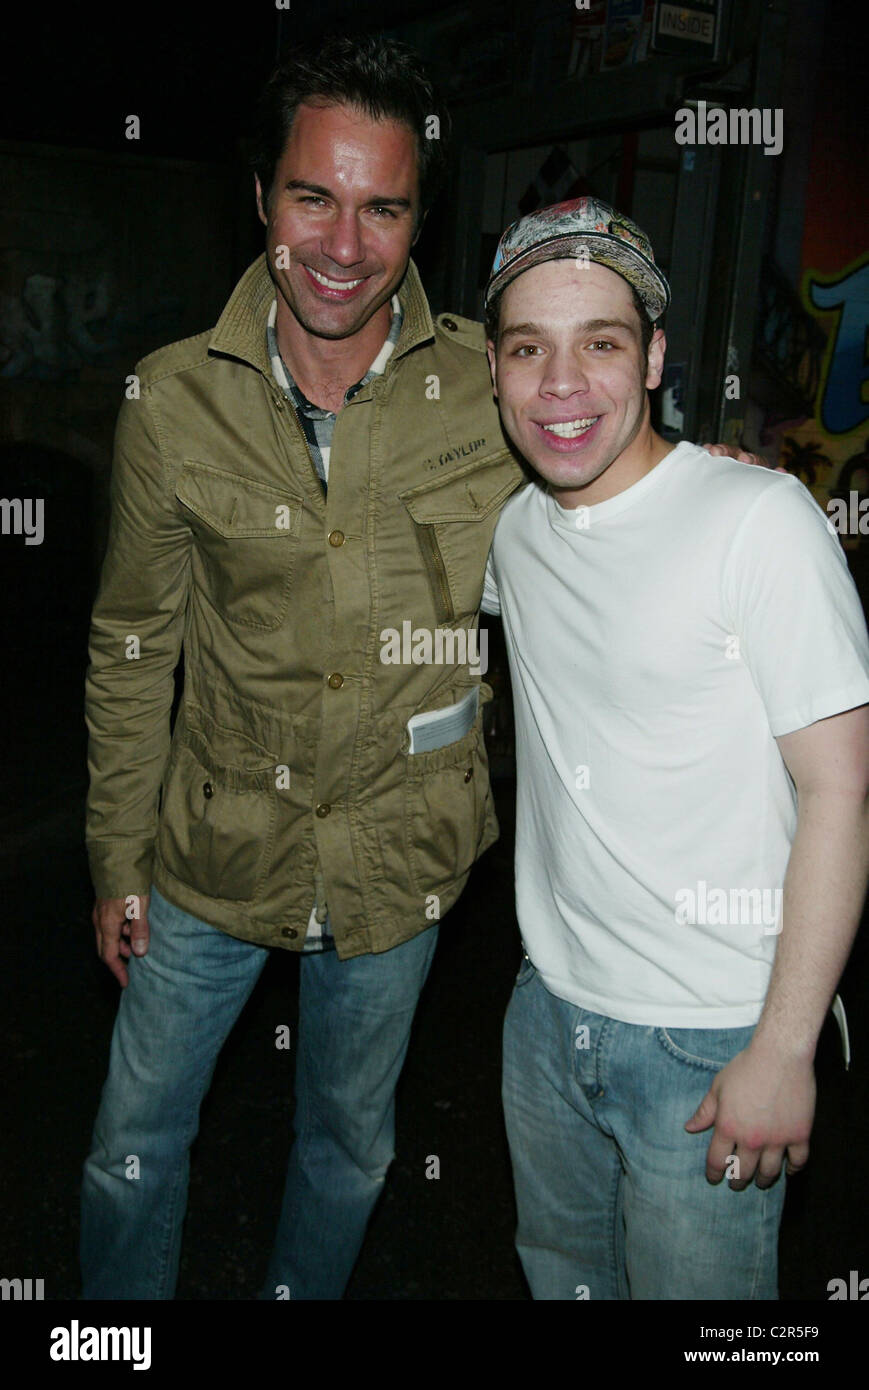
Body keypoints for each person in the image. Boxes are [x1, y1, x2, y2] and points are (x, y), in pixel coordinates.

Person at [80, 35, 757, 1301]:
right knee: (130, 1147)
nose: (344, 244)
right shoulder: (171, 401)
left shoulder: (484, 391)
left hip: (398, 856)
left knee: (348, 1149)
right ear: (261, 197)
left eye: (382, 207)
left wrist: (714, 488)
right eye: (312, 197)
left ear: (417, 221)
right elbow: (132, 647)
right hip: (209, 850)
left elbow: (604, 462)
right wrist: (116, 854)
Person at [481, 196, 869, 1300]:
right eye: (528, 349)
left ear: (652, 358)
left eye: (600, 345)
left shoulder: (759, 523)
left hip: (710, 1040)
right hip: (545, 1013)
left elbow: (839, 792)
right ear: (494, 372)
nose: (561, 385)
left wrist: (783, 1048)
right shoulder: (513, 531)